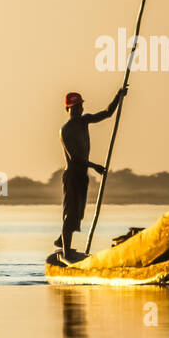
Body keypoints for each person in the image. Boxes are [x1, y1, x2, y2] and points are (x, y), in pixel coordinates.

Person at [56, 86, 128, 256]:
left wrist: (118, 96)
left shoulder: (84, 120)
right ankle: (66, 252)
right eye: (74, 108)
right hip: (73, 176)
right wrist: (94, 166)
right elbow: (74, 158)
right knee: (71, 213)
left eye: (80, 107)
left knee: (78, 214)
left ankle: (61, 239)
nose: (78, 110)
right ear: (68, 109)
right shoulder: (65, 131)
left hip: (82, 176)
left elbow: (107, 113)